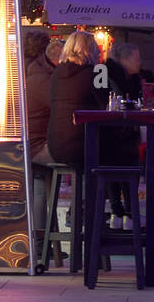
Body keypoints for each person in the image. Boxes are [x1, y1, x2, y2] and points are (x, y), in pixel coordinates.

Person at [46, 31, 107, 171]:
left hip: (56, 147)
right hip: (84, 145)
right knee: (122, 152)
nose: (99, 51)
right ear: (90, 50)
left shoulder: (57, 73)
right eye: (96, 47)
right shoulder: (99, 71)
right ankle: (105, 192)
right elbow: (107, 106)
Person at [102, 42, 145, 229]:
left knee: (124, 162)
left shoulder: (132, 77)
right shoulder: (108, 73)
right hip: (113, 133)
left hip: (119, 133)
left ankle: (123, 213)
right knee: (127, 163)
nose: (140, 63)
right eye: (136, 58)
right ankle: (126, 212)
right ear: (124, 59)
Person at [25, 34, 62, 231]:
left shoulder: (33, 72)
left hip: (30, 144)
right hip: (36, 146)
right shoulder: (44, 79)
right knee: (83, 160)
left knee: (40, 185)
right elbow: (61, 108)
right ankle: (79, 214)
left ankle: (41, 239)